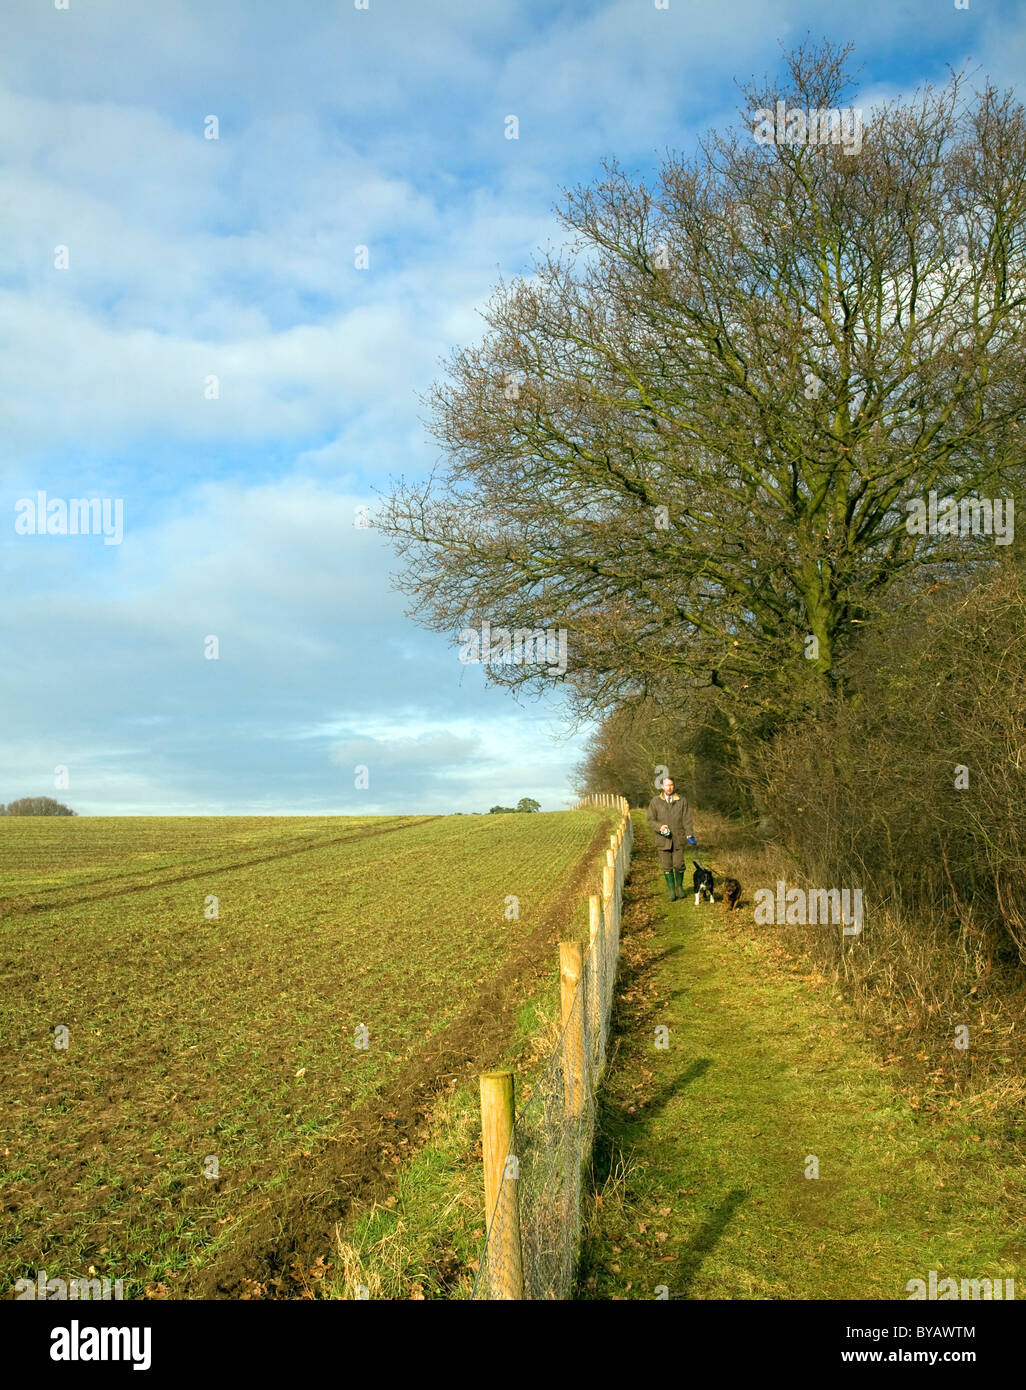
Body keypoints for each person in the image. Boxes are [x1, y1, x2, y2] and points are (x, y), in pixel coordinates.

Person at [646, 776, 697, 901]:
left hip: (678, 838)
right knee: (666, 865)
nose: (669, 787)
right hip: (662, 839)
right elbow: (650, 820)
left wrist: (689, 832)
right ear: (662, 787)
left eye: (671, 785)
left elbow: (687, 819)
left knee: (679, 865)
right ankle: (671, 891)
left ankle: (679, 888)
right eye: (667, 785)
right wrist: (660, 827)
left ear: (674, 786)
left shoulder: (682, 801)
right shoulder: (655, 801)